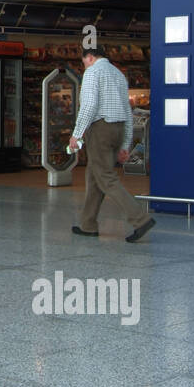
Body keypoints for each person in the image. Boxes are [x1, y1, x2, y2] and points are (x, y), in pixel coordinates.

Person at [68, 47, 156, 242]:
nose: (84, 67)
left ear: (89, 58)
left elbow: (89, 105)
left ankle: (140, 219)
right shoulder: (118, 74)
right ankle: (88, 224)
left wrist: (76, 134)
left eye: (83, 63)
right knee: (94, 177)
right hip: (117, 128)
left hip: (101, 129)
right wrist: (125, 144)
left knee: (106, 178)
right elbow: (127, 109)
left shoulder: (92, 72)